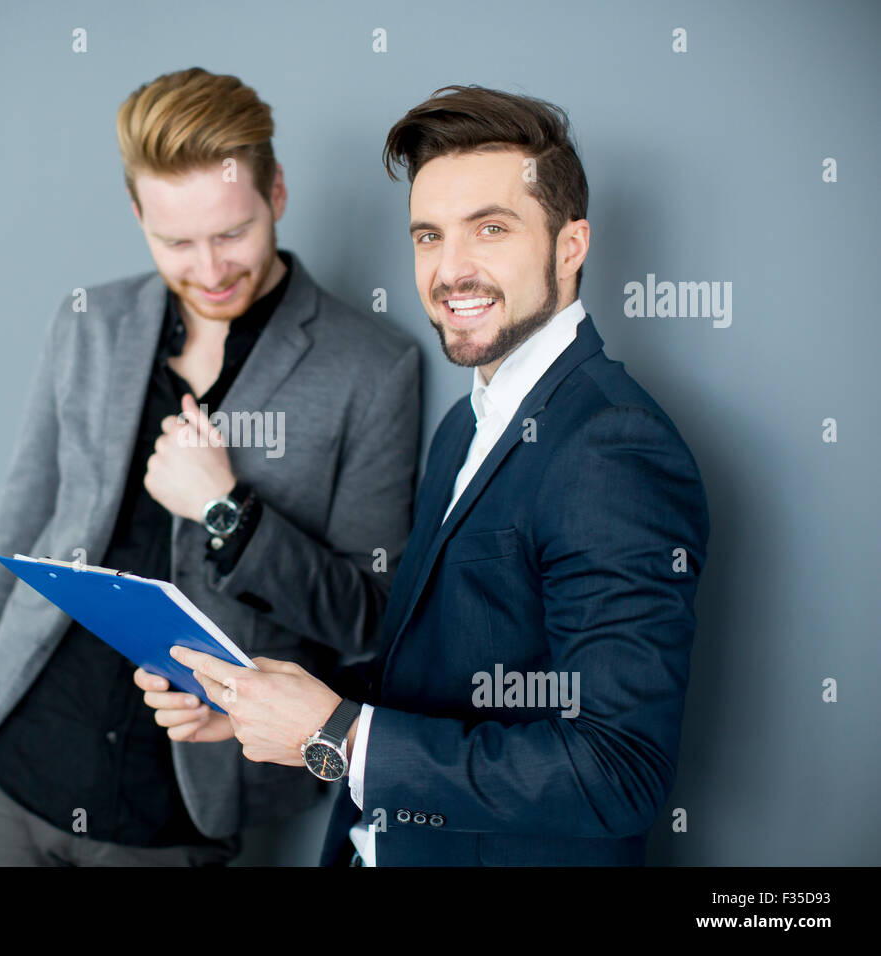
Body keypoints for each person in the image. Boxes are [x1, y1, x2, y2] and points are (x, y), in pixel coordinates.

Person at [138, 84, 709, 867]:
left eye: (492, 229)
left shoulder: (614, 449)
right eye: (429, 236)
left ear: (570, 246)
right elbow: (430, 677)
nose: (451, 270)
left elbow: (617, 771)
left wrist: (333, 732)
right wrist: (261, 708)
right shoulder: (465, 424)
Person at [0, 67, 422, 865]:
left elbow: (368, 616)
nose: (209, 268)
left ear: (276, 192)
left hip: (176, 814)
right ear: (137, 214)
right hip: (6, 767)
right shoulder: (89, 324)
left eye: (232, 233)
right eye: (175, 241)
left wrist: (227, 511)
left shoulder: (373, 369)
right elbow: (14, 540)